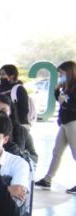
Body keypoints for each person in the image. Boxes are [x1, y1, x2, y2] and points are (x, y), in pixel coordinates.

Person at [35, 61, 76, 193]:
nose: (60, 75)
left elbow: (71, 105)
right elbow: (61, 101)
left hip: (73, 122)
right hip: (65, 123)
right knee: (57, 152)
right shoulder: (66, 86)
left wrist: (67, 102)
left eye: (61, 73)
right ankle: (47, 179)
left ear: (69, 72)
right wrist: (56, 90)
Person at [0, 95, 37, 164]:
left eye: (4, 110)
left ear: (10, 112)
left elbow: (34, 157)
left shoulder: (21, 131)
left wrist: (19, 154)